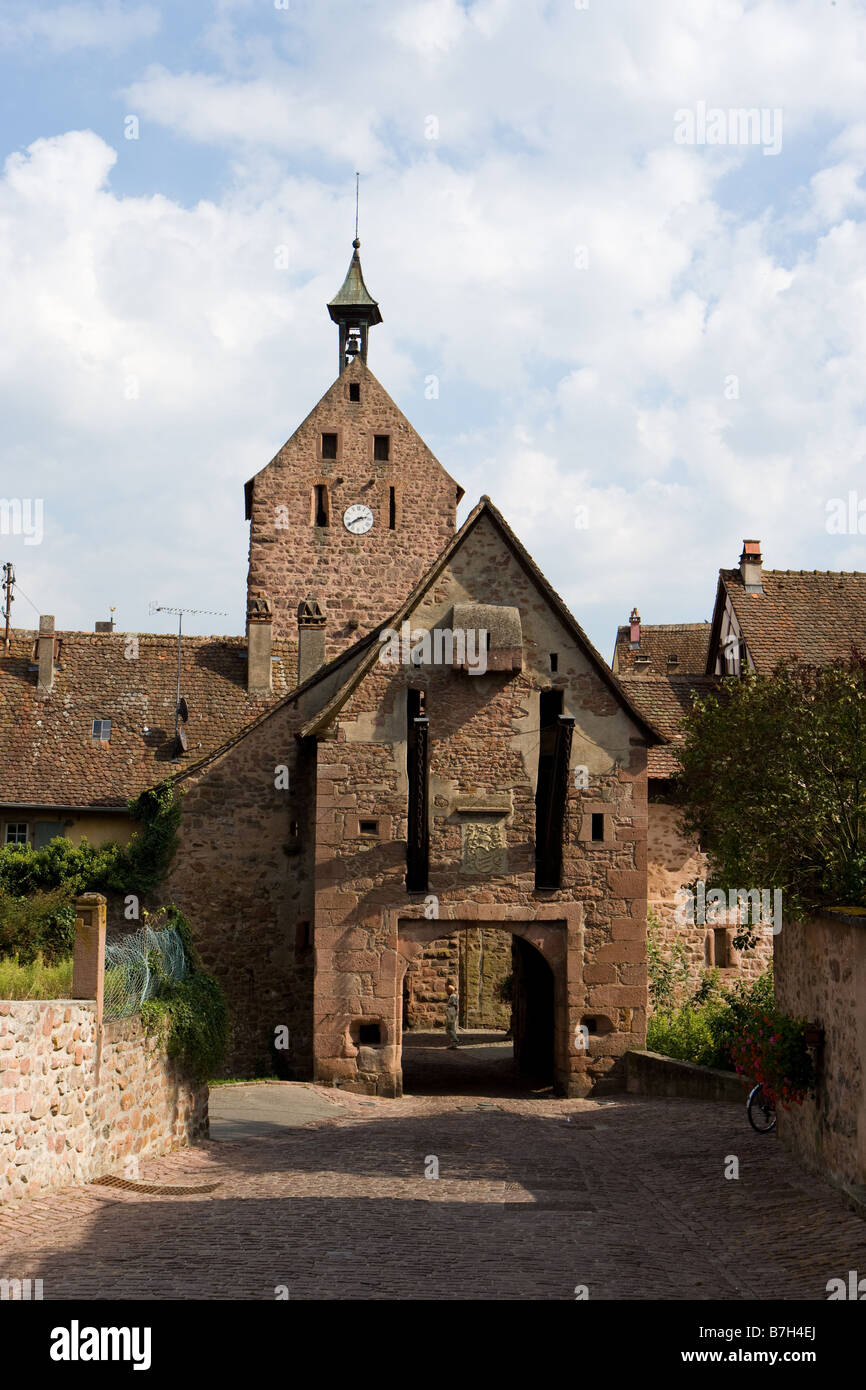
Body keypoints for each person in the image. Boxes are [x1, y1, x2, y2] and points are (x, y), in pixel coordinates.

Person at [445, 984, 459, 1049]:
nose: (446, 991)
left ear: (450, 990)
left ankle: (455, 1042)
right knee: (449, 1028)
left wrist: (454, 1014)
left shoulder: (453, 996)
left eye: (447, 990)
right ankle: (454, 1042)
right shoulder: (452, 996)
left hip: (451, 1013)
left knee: (450, 1028)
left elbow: (455, 1006)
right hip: (450, 1013)